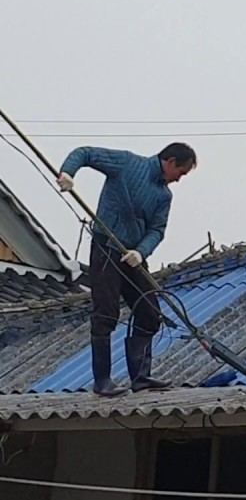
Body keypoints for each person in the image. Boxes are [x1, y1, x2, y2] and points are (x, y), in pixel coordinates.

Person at [57, 142, 197, 396]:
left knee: (149, 313)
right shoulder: (127, 163)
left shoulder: (164, 196)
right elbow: (85, 153)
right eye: (182, 172)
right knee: (106, 313)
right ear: (170, 162)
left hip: (132, 257)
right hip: (106, 248)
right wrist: (68, 173)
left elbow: (157, 230)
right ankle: (102, 381)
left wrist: (141, 252)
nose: (179, 180)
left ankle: (140, 377)